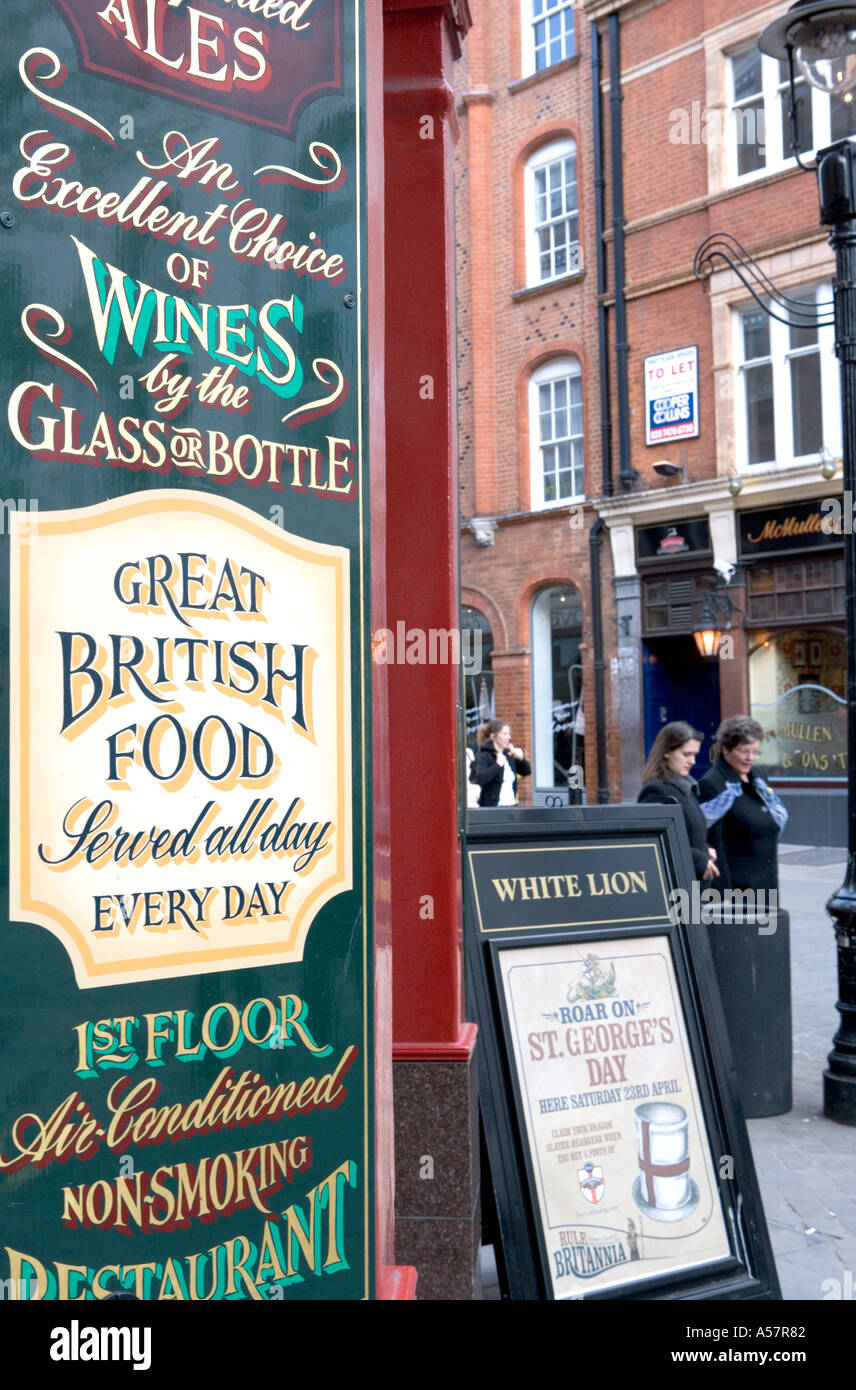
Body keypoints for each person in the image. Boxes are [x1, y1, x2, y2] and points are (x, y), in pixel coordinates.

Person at [697, 714, 788, 892]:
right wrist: (722, 894)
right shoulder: (712, 784)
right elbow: (713, 844)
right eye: (744, 751)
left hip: (766, 882)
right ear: (726, 749)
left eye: (755, 752)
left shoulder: (758, 777)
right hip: (738, 889)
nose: (750, 758)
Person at [637, 721, 718, 882]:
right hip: (677, 885)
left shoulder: (686, 787)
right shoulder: (656, 790)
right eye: (686, 754)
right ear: (667, 752)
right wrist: (699, 860)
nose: (692, 761)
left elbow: (688, 834)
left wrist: (705, 849)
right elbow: (657, 842)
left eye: (694, 755)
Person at [471, 719, 531, 807]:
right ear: (493, 736)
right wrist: (497, 765)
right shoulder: (485, 756)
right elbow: (480, 778)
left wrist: (520, 758)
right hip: (494, 808)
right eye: (505, 734)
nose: (509, 737)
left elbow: (527, 771)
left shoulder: (508, 755)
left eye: (509, 734)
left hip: (512, 807)